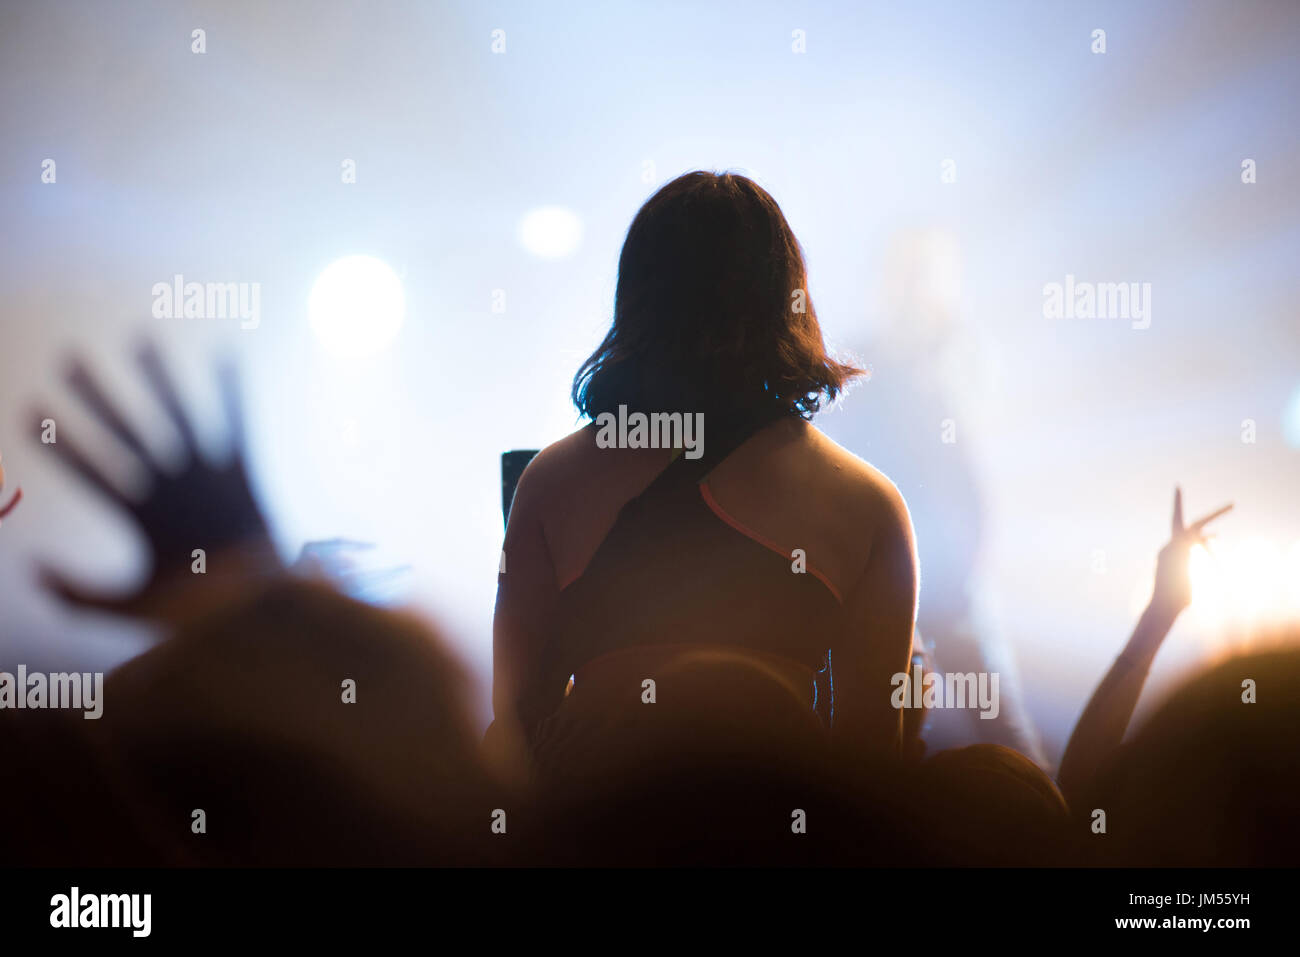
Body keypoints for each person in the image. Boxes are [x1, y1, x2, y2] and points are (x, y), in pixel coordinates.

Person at [488, 171, 920, 789]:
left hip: (588, 833)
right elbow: (873, 770)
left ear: (636, 298)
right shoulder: (868, 504)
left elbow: (512, 729)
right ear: (786, 300)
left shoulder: (552, 481)